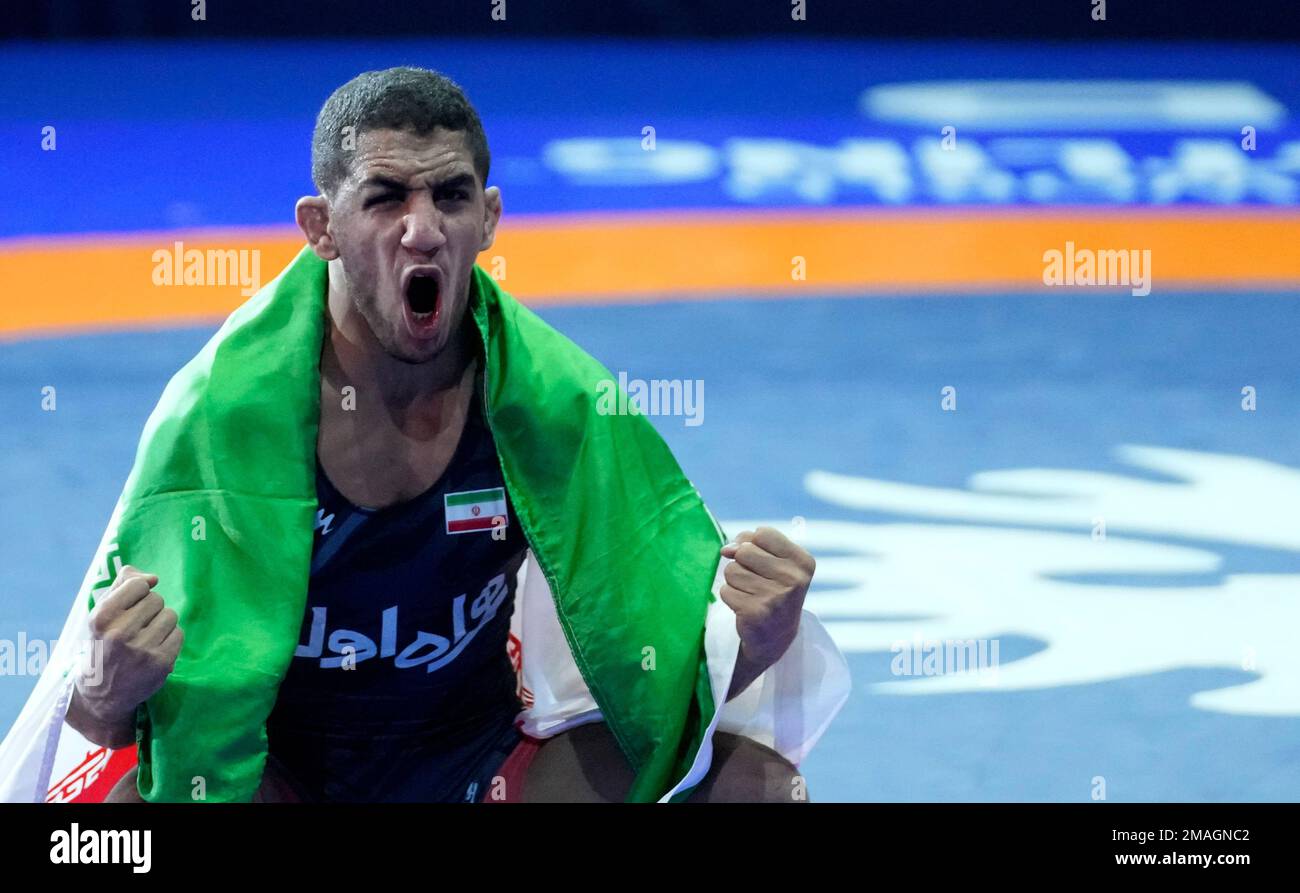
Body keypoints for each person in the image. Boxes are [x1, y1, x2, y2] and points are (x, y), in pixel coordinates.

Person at [59, 67, 829, 803]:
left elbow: (669, 663)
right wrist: (103, 686)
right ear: (321, 228)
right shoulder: (215, 413)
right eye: (385, 198)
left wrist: (758, 637)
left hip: (478, 767)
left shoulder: (557, 400)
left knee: (760, 787)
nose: (421, 230)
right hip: (277, 774)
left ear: (487, 218)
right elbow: (101, 720)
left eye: (450, 196)